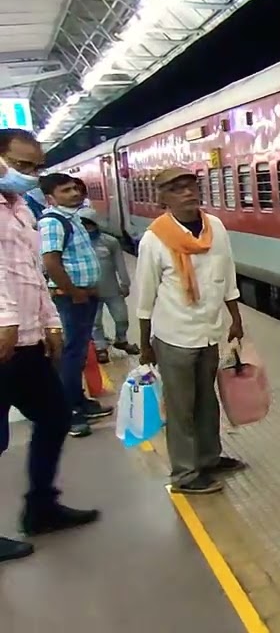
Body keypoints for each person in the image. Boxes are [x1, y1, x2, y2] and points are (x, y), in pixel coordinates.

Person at [0, 129, 101, 563]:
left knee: (55, 416)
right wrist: (5, 319)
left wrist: (50, 323)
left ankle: (41, 506)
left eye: (35, 167)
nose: (30, 174)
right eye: (21, 166)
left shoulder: (21, 210)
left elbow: (30, 274)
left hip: (27, 341)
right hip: (1, 339)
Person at [135, 166, 247, 495]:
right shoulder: (155, 238)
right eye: (177, 188)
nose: (187, 193)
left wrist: (235, 317)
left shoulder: (215, 228)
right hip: (174, 335)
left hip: (209, 330)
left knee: (206, 401)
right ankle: (185, 474)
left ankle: (210, 457)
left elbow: (227, 274)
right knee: (181, 406)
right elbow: (145, 294)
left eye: (190, 186)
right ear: (163, 198)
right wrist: (145, 344)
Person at [38, 173, 112, 437]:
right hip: (71, 297)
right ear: (50, 198)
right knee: (70, 355)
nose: (74, 193)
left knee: (78, 352)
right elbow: (51, 261)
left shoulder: (73, 218)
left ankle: (79, 401)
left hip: (83, 295)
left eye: (75, 189)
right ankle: (68, 411)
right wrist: (73, 292)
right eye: (66, 190)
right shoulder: (53, 222)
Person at [82, 208, 138, 363]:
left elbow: (120, 263)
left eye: (90, 225)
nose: (88, 229)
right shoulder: (78, 244)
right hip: (90, 290)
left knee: (122, 318)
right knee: (95, 321)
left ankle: (121, 339)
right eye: (84, 226)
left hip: (112, 289)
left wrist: (125, 283)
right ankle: (100, 347)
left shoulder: (110, 242)